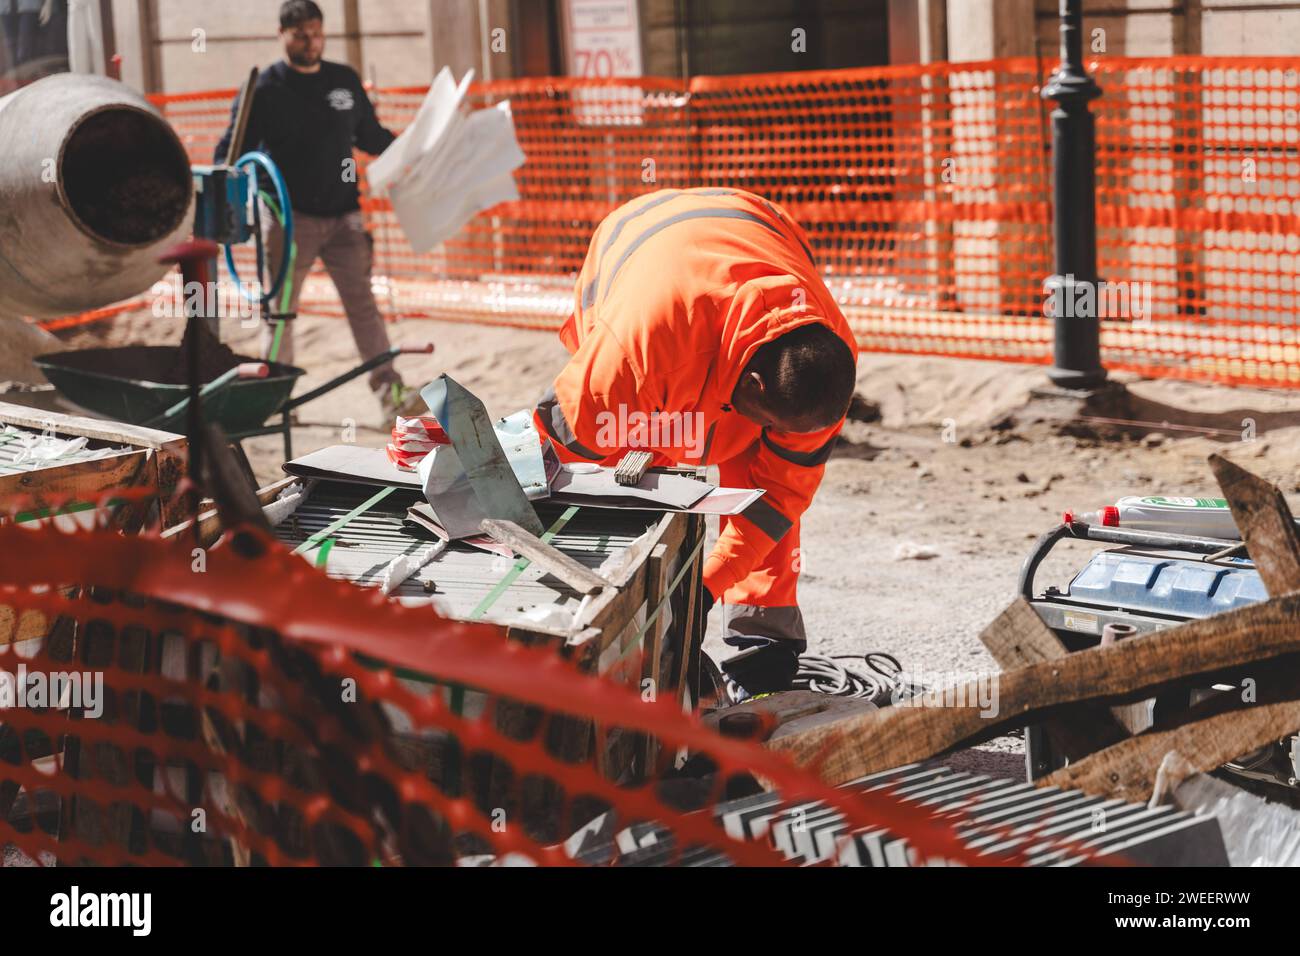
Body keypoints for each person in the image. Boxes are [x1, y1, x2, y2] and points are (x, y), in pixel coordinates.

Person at [533, 187, 858, 701]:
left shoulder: (821, 361)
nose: (778, 439)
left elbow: (777, 500)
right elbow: (561, 449)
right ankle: (613, 618)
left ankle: (762, 643)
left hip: (757, 229)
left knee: (759, 480)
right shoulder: (636, 351)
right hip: (637, 245)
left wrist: (700, 588)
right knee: (629, 457)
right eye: (771, 422)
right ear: (751, 384)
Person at [214, 0, 423, 426]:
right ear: (282, 34)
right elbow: (233, 154)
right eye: (301, 34)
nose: (311, 42)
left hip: (345, 217)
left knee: (364, 307)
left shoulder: (343, 80)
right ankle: (273, 402)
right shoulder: (265, 89)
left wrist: (415, 146)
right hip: (290, 220)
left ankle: (390, 394)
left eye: (317, 33)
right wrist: (228, 196)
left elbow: (371, 136)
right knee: (281, 313)